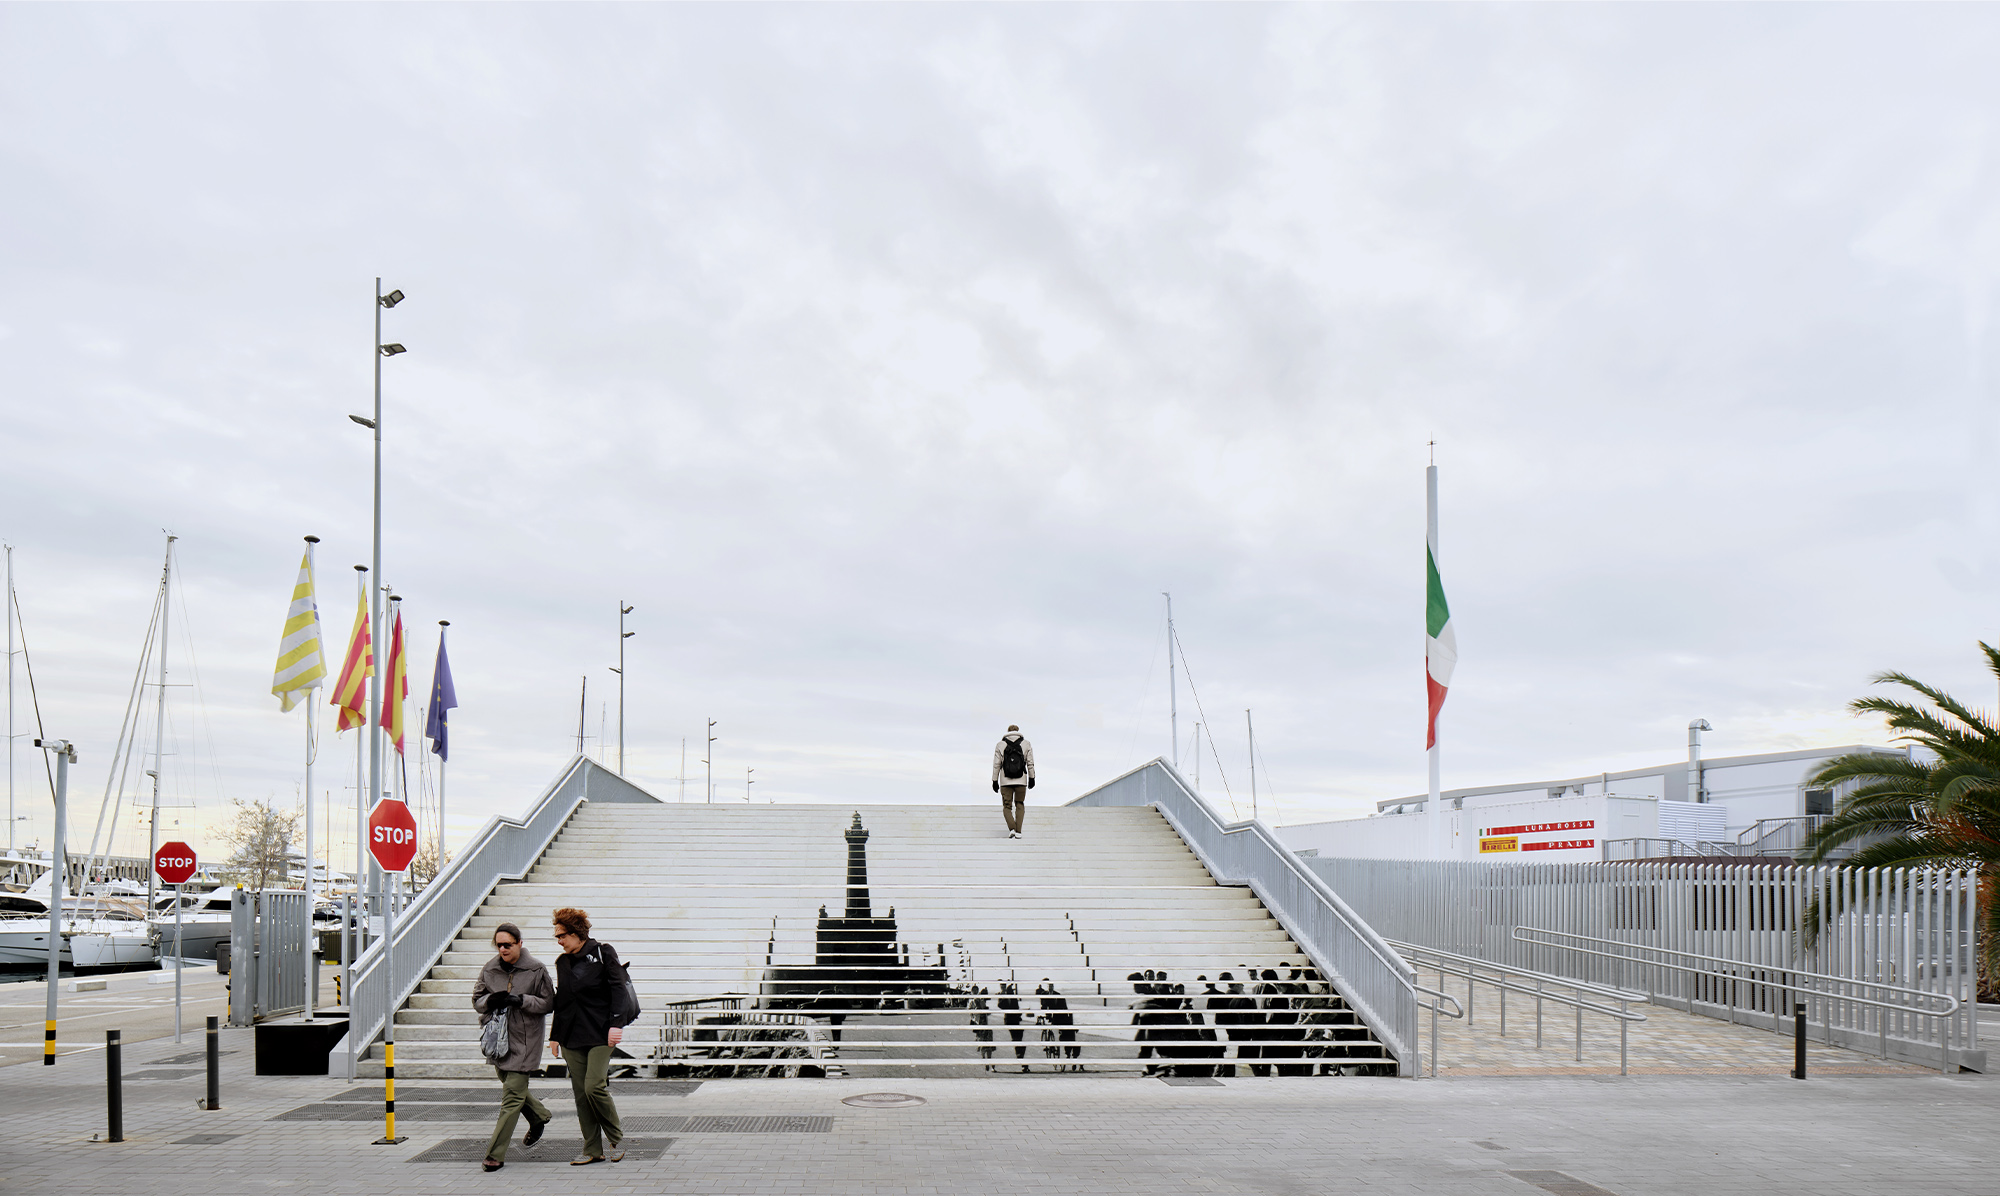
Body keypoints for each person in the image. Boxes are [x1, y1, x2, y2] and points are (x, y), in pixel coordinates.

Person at [548, 907, 629, 1165]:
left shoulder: (603, 953)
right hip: (572, 1036)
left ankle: (616, 1138)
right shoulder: (562, 962)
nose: (558, 941)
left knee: (594, 1086)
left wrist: (617, 1023)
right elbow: (563, 1001)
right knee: (581, 1095)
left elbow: (619, 989)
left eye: (561, 935)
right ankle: (592, 1149)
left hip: (601, 1033)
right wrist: (555, 1036)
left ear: (576, 933)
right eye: (557, 936)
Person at [472, 923, 555, 1172]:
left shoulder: (536, 969)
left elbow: (549, 1002)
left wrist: (521, 1000)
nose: (503, 949)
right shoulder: (490, 968)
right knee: (511, 1087)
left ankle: (494, 1155)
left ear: (520, 942)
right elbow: (477, 1000)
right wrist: (492, 999)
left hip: (526, 1040)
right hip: (498, 1040)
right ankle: (539, 1115)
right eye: (498, 945)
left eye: (508, 944)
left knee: (511, 1099)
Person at [990, 725, 1036, 838]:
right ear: (1018, 731)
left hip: (1005, 781)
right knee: (1020, 804)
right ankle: (1019, 831)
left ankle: (1012, 829)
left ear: (1008, 731)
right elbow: (1030, 763)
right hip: (1021, 780)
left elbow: (997, 764)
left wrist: (994, 780)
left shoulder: (1000, 745)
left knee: (1007, 806)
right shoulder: (1026, 744)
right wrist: (1032, 778)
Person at [996, 980, 1027, 1071]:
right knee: (1016, 1038)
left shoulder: (1012, 996)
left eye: (1004, 986)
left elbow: (1017, 1007)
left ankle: (1021, 1056)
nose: (1004, 988)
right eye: (1002, 987)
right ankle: (1021, 1059)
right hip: (1009, 1020)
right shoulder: (1000, 996)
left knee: (1019, 1038)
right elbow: (1000, 1005)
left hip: (1016, 1019)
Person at [969, 986, 995, 1071]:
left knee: (989, 1045)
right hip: (979, 1025)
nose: (975, 992)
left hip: (985, 1024)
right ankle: (985, 1061)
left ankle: (990, 1062)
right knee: (982, 1045)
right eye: (974, 991)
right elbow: (970, 1013)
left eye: (976, 990)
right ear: (971, 992)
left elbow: (986, 1011)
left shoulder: (982, 1000)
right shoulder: (971, 1002)